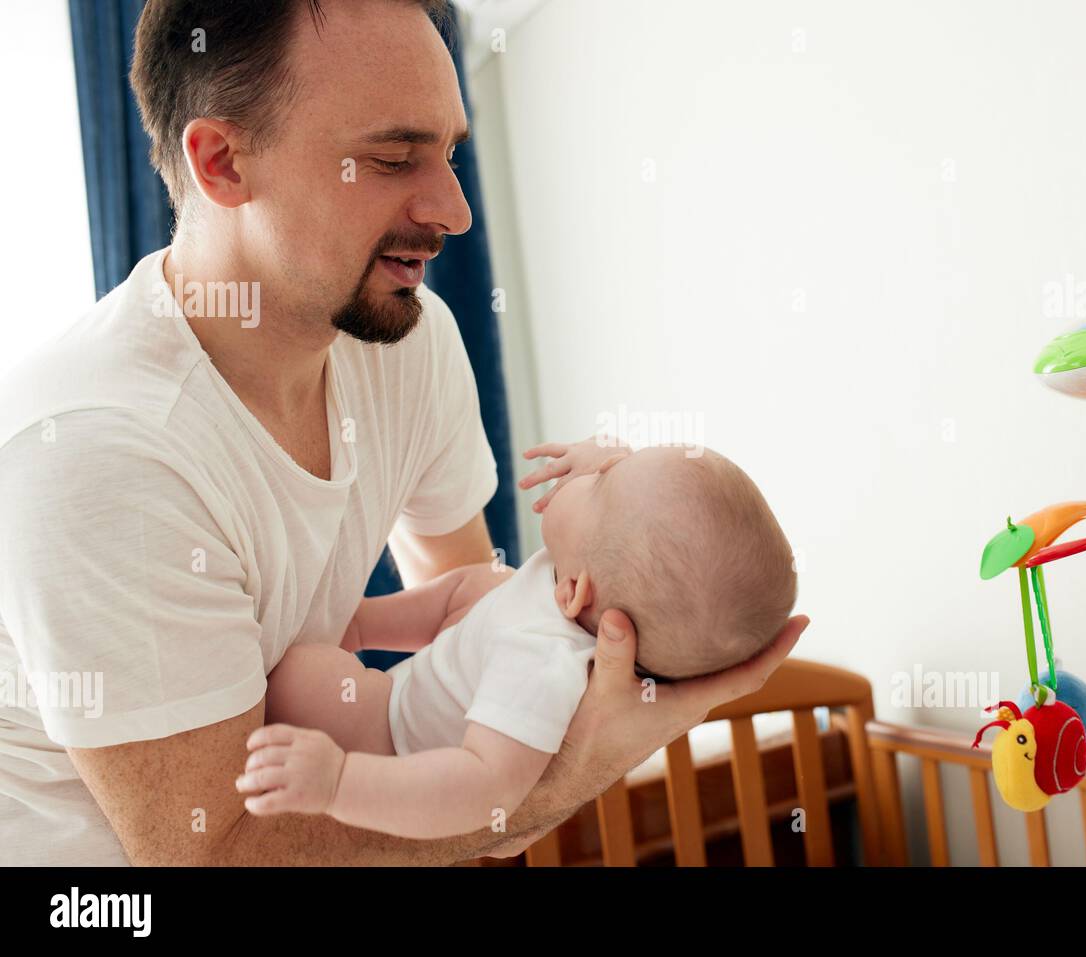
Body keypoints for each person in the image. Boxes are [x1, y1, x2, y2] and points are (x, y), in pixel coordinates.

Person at [0, 0, 805, 865]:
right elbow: (219, 853)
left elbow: (469, 615)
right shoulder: (97, 450)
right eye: (392, 158)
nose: (455, 211)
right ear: (223, 162)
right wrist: (583, 763)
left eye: (450, 153)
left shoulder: (408, 344)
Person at [236, 445, 798, 839]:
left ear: (579, 592)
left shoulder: (543, 667)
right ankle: (360, 624)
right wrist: (606, 460)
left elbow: (485, 787)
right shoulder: (572, 579)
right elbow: (637, 506)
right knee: (483, 586)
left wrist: (339, 780)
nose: (599, 465)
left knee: (307, 677)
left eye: (601, 482)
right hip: (448, 657)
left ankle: (305, 771)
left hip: (386, 737)